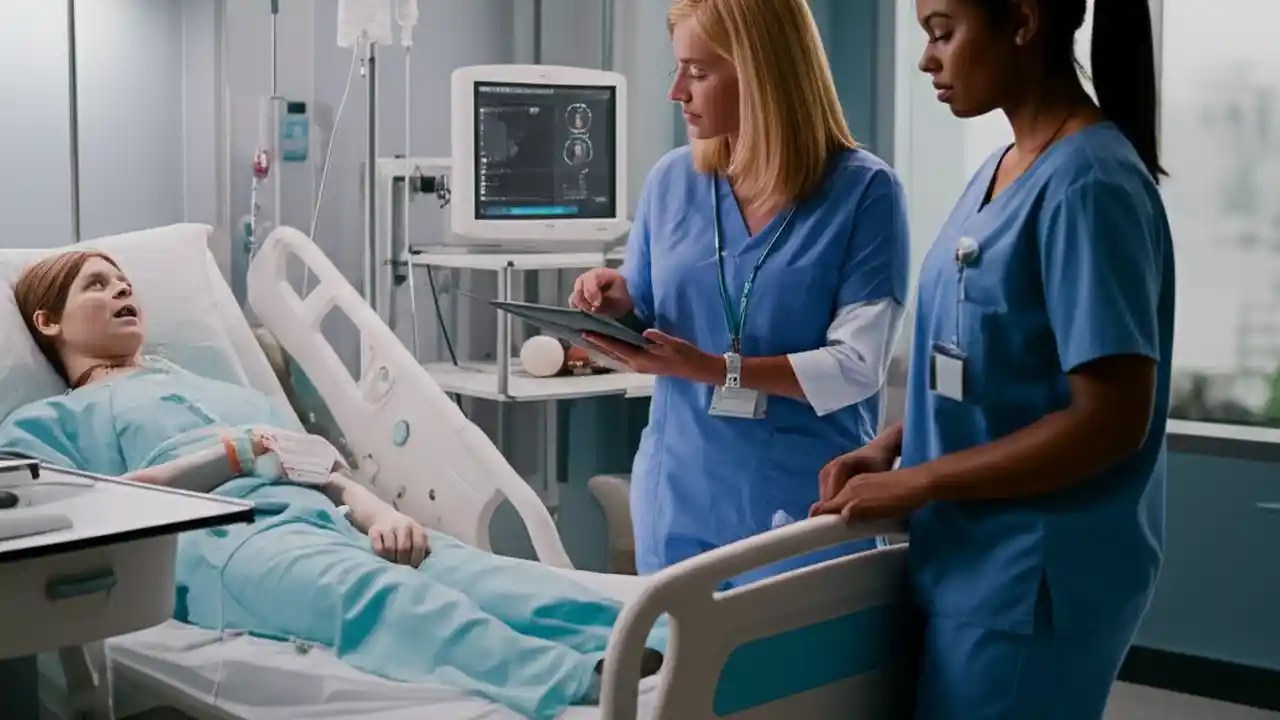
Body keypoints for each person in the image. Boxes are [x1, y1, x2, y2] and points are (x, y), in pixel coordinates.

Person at [0, 250, 666, 720]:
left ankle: (674, 638)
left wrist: (376, 513)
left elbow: (316, 462)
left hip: (325, 513)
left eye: (125, 281)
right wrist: (230, 456)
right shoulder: (50, 420)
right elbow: (95, 507)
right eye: (97, 285)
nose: (122, 290)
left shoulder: (212, 386)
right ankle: (571, 683)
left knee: (493, 579)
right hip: (220, 540)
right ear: (49, 322)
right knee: (378, 596)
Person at [812, 1, 1174, 717]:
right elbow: (996, 374)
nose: (928, 59)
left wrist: (920, 482)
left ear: (1023, 22)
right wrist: (897, 445)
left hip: (1031, 576)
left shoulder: (1089, 184)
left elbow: (1110, 420)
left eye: (943, 32)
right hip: (967, 560)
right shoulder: (1004, 168)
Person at [569, 0, 909, 587]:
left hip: (804, 505)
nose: (677, 91)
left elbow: (856, 367)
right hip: (678, 496)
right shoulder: (671, 182)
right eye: (678, 68)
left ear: (762, 73)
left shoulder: (865, 192)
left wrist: (713, 369)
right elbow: (650, 311)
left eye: (699, 72)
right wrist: (617, 300)